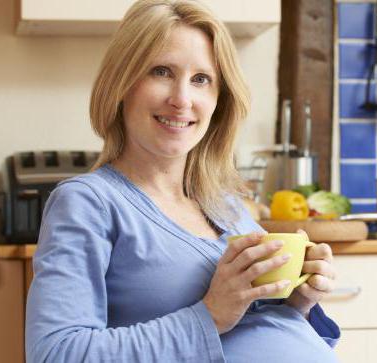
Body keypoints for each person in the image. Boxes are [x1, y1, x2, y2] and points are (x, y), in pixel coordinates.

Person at [25, 0, 340, 361]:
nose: (182, 99)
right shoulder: (88, 203)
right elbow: (57, 354)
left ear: (219, 100)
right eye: (161, 72)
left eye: (201, 79)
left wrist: (298, 300)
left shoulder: (226, 206)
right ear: (122, 83)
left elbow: (259, 331)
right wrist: (209, 315)